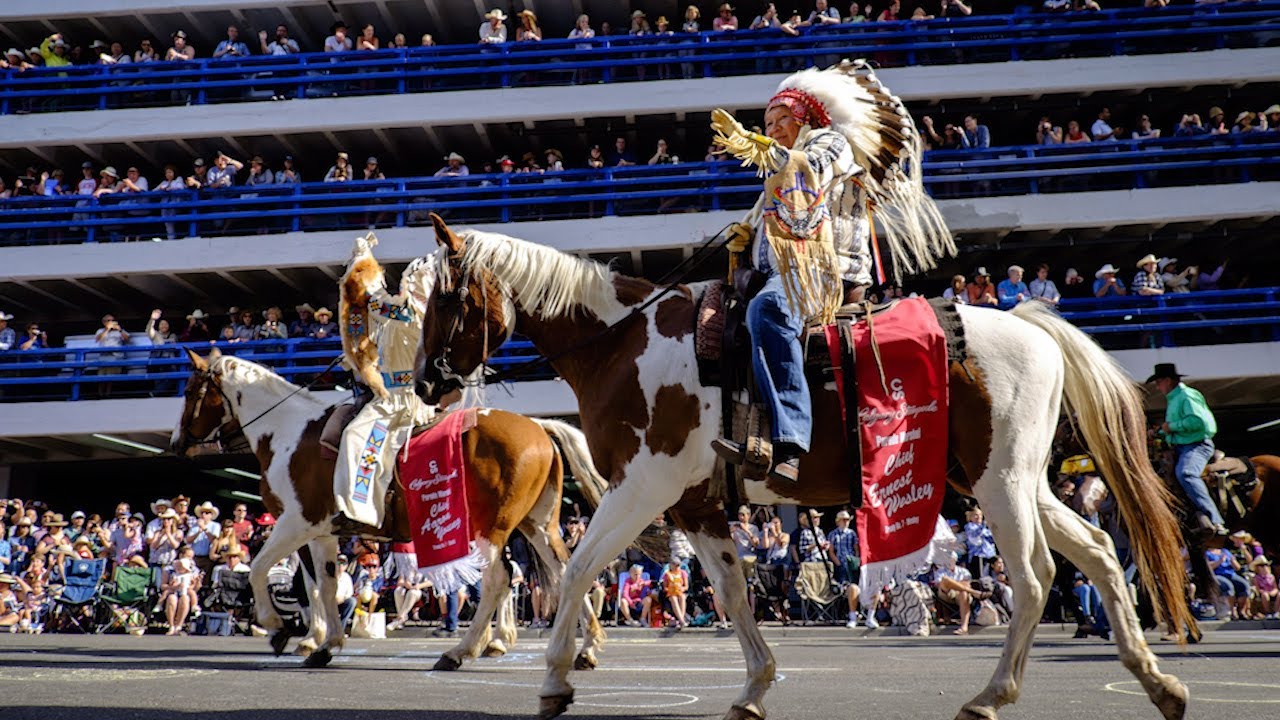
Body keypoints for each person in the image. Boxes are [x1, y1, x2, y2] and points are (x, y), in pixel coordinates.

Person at [708, 62, 951, 481]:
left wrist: (760, 147)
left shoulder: (829, 144)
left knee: (769, 310)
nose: (773, 129)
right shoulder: (780, 170)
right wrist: (744, 237)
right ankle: (751, 427)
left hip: (823, 270)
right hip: (784, 272)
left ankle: (788, 439)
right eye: (768, 124)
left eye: (781, 119)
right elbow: (771, 213)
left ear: (805, 119)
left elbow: (811, 169)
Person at [333, 238, 434, 530]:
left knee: (356, 436)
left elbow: (371, 301)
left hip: (404, 401)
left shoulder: (414, 315)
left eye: (411, 283)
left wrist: (362, 265)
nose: (405, 287)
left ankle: (360, 511)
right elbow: (367, 317)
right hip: (392, 394)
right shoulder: (396, 316)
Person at [1149, 363, 1225, 538]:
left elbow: (1198, 422)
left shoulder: (1187, 395)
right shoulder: (1174, 398)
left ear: (1168, 380)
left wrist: (1171, 427)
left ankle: (1214, 519)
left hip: (1197, 445)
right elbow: (1174, 427)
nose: (1157, 386)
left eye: (1158, 382)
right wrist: (1159, 432)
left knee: (1186, 473)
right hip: (1181, 447)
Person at [661, 557, 690, 627]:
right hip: (671, 593)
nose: (677, 567)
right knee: (673, 598)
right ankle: (681, 620)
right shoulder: (667, 574)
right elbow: (664, 587)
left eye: (678, 565)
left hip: (680, 592)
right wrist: (670, 589)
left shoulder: (683, 573)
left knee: (682, 597)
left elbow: (686, 586)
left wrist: (682, 588)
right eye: (675, 565)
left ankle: (681, 619)